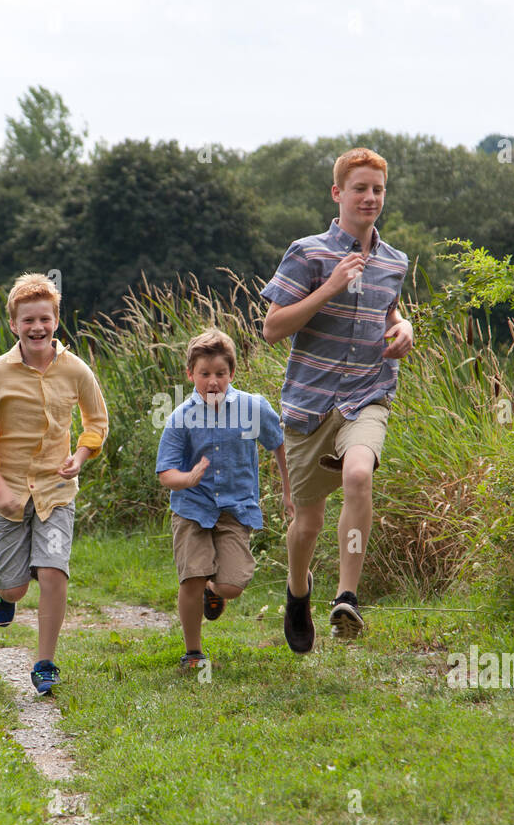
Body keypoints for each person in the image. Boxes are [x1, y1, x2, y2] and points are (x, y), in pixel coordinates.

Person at [259, 147, 415, 653]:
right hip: (309, 404)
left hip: (368, 394)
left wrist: (402, 326)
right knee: (307, 521)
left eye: (378, 189)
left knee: (358, 474)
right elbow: (271, 329)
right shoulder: (307, 253)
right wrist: (329, 287)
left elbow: (388, 312)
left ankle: (346, 596)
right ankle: (298, 591)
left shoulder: (394, 261)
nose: (370, 198)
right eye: (360, 189)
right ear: (338, 194)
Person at [0, 272, 108, 694]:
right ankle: (2, 588)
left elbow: (97, 421)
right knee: (16, 587)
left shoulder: (76, 370)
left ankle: (45, 661)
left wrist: (79, 457)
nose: (37, 327)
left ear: (56, 320)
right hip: (5, 489)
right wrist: (2, 489)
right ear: (14, 324)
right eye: (28, 320)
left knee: (52, 570)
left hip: (55, 490)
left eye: (44, 319)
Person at [155, 329, 292, 670]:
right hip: (192, 508)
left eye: (220, 373)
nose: (213, 382)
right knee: (192, 577)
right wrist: (187, 478)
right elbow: (165, 473)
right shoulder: (180, 418)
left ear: (232, 373)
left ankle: (213, 590)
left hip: (235, 508)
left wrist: (290, 492)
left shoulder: (252, 407)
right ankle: (193, 652)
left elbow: (280, 443)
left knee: (232, 585)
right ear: (191, 375)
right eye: (205, 374)